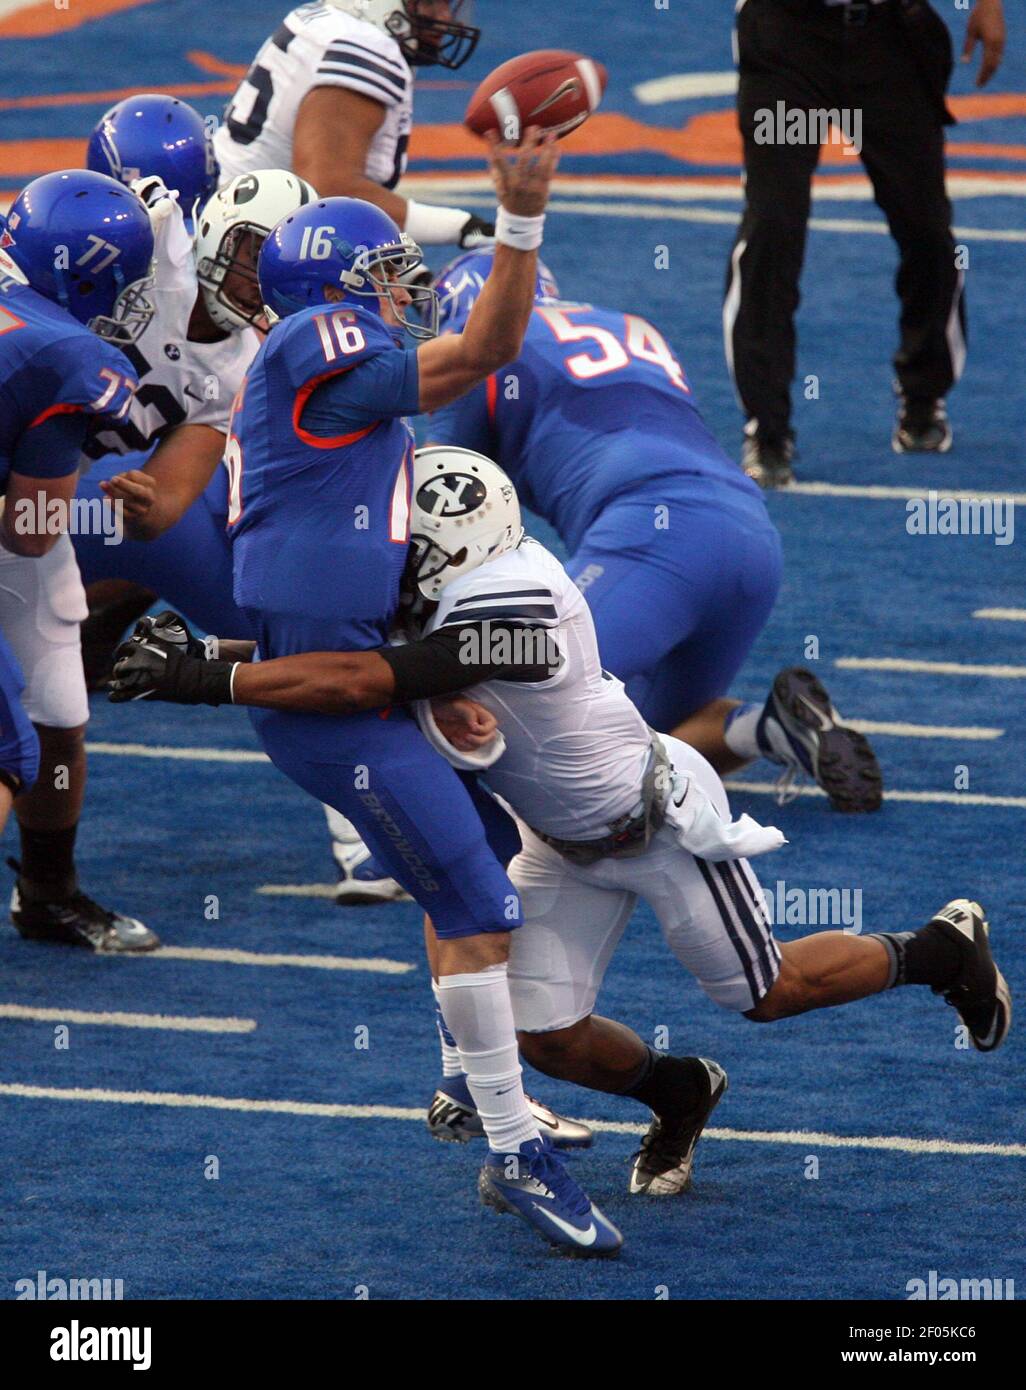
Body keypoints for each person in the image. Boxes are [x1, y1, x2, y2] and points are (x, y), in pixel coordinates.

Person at [110, 445, 1012, 1204]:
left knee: (765, 994)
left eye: (405, 546)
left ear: (450, 545)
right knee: (543, 1037)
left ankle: (941, 948)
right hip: (559, 837)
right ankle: (682, 1090)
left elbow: (364, 679)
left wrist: (207, 677)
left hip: (657, 823)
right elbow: (349, 653)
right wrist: (213, 651)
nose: (389, 562)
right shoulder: (463, 579)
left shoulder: (520, 609)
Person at [130, 130, 624, 1260]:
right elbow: (491, 341)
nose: (402, 294)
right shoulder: (315, 343)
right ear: (336, 295)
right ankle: (510, 1149)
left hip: (344, 667)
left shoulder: (320, 374)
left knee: (487, 841)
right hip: (327, 704)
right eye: (384, 277)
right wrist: (520, 214)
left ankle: (469, 1080)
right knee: (479, 905)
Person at [725, 0, 1006, 487]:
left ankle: (923, 393)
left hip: (889, 40)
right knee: (773, 229)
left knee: (927, 229)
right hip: (789, 45)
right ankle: (767, 429)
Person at [0, 169, 159, 952]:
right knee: (16, 743)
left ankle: (47, 893)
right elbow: (30, 526)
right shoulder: (65, 354)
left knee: (58, 709)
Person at [214, 1, 493, 252]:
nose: (444, 17)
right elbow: (326, 191)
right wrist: (462, 226)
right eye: (430, 3)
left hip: (229, 213)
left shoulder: (323, 17)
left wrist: (410, 273)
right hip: (247, 245)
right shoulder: (368, 48)